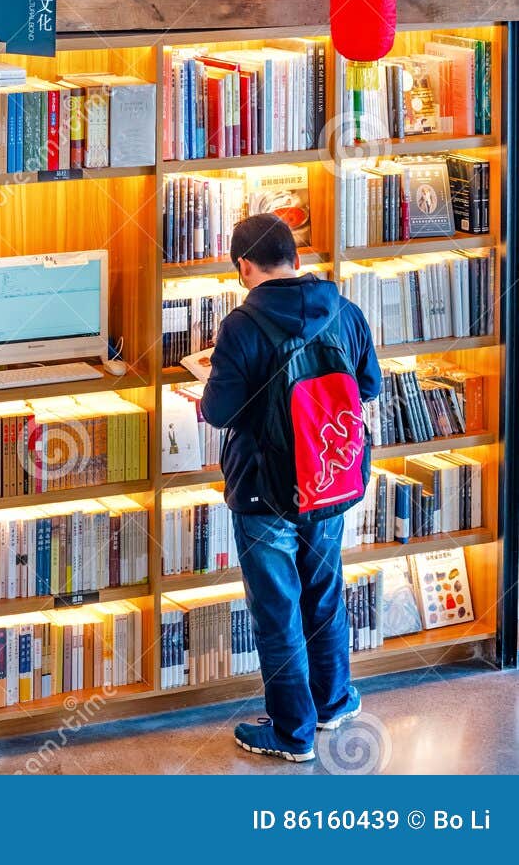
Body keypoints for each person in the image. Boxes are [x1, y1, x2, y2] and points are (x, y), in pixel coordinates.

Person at [201, 211, 381, 762]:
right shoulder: (344, 311)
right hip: (331, 480)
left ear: (243, 268)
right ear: (297, 260)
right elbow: (368, 384)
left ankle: (292, 732)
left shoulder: (241, 327)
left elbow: (218, 410)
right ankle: (333, 702)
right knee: (323, 595)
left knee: (277, 608)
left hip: (264, 491)